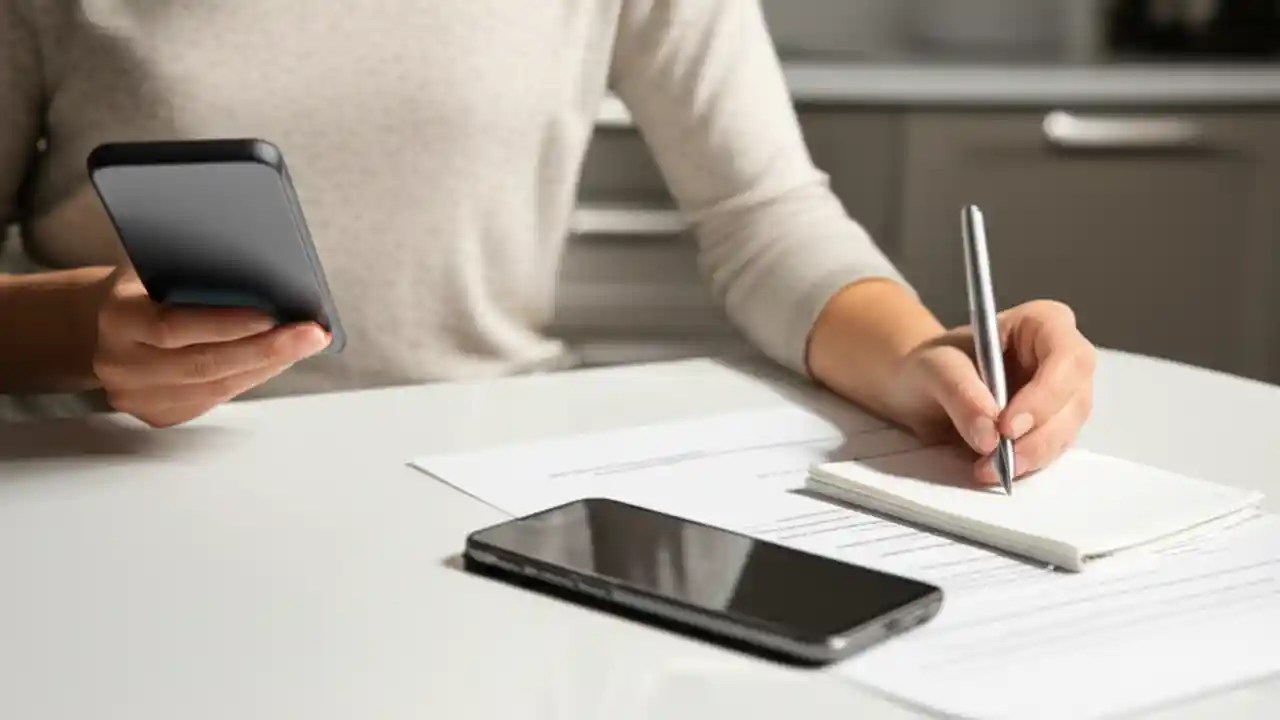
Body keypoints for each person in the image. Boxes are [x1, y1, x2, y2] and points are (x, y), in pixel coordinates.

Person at [0, 1, 1094, 484]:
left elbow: (764, 216)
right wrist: (78, 333)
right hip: (111, 481)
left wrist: (919, 358)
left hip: (467, 482)